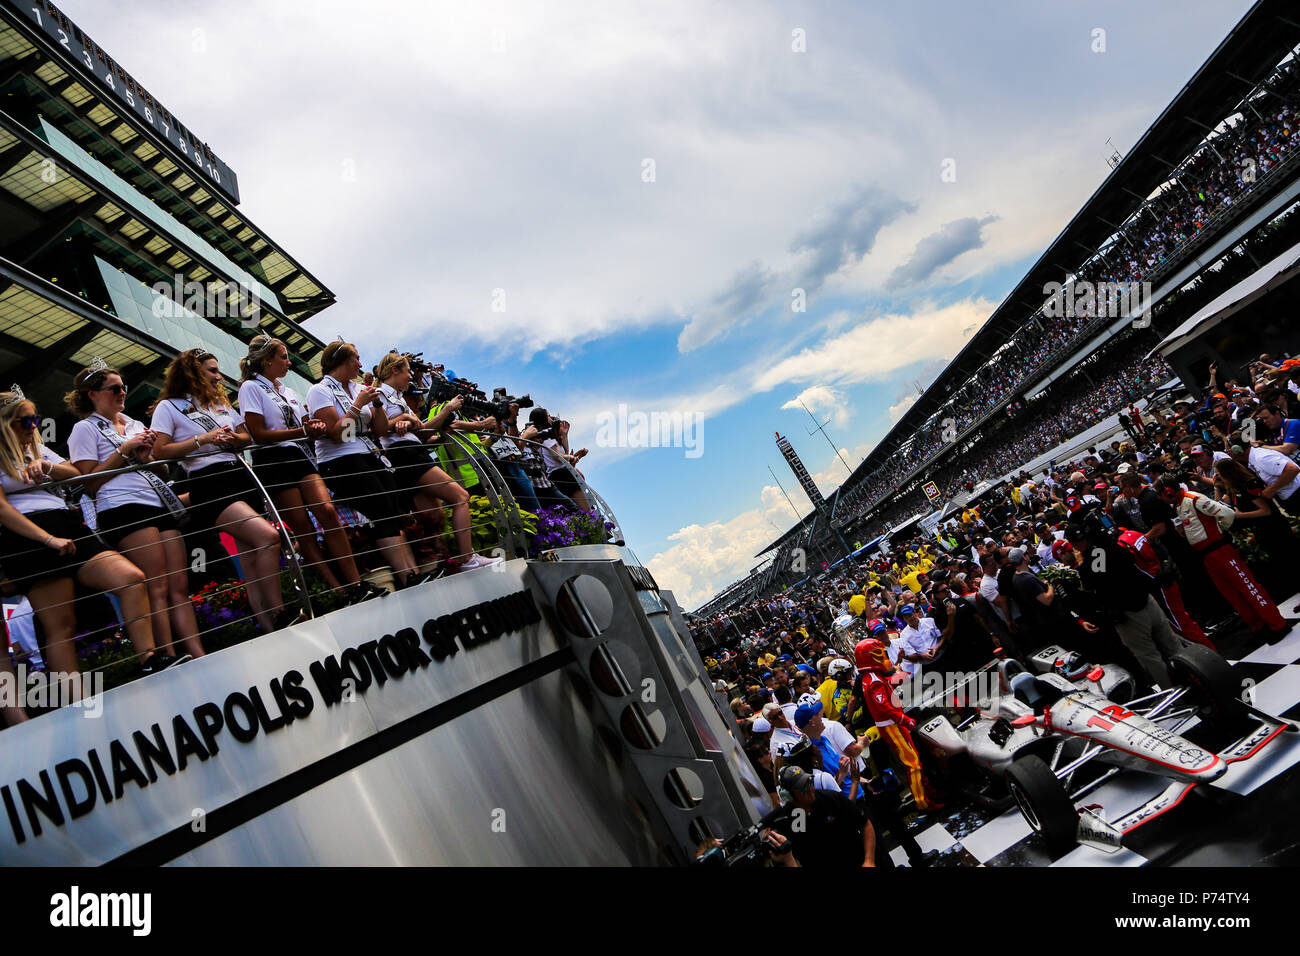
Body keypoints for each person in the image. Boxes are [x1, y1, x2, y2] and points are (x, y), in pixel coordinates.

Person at [0, 388, 178, 683]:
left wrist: (46, 466)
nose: (33, 426)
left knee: (131, 578)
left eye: (35, 419)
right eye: (25, 421)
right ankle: (75, 703)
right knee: (62, 627)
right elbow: (3, 510)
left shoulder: (37, 448)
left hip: (66, 520)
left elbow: (76, 472)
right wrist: (47, 539)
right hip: (29, 534)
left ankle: (149, 660)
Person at [66, 361, 204, 661]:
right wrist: (125, 450)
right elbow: (89, 482)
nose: (122, 393)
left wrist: (145, 455)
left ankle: (198, 652)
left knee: (178, 585)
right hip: (122, 506)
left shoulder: (134, 423)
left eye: (123, 387)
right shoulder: (83, 428)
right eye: (114, 388)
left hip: (157, 500)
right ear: (92, 394)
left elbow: (162, 467)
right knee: (156, 585)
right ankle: (166, 655)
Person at [149, 349, 289, 635]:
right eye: (212, 370)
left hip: (238, 474)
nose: (218, 376)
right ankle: (280, 612)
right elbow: (159, 450)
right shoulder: (168, 407)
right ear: (193, 372)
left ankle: (268, 628)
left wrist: (230, 439)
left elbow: (246, 435)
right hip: (207, 481)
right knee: (268, 537)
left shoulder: (220, 403)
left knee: (250, 560)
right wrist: (201, 440)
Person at [238, 336, 384, 606]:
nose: (288, 362)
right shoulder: (250, 387)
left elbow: (302, 424)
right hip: (272, 460)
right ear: (267, 360)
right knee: (303, 529)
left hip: (300, 455)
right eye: (283, 357)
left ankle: (355, 583)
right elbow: (257, 434)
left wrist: (311, 425)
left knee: (327, 512)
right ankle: (341, 591)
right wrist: (301, 430)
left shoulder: (288, 390)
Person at [307, 342, 436, 591]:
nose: (360, 364)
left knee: (392, 511)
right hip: (340, 459)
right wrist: (357, 405)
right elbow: (336, 434)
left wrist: (376, 405)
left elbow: (378, 430)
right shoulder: (319, 390)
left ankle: (413, 573)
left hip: (370, 454)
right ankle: (407, 576)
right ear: (343, 362)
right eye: (356, 358)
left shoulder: (359, 387)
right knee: (381, 511)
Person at [374, 352, 501, 571]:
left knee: (435, 516)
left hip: (412, 450)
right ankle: (467, 558)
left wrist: (445, 419)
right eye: (406, 372)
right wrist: (404, 419)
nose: (410, 378)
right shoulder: (379, 394)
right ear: (395, 371)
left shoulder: (398, 397)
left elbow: (422, 432)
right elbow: (378, 427)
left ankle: (440, 564)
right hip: (405, 454)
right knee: (460, 496)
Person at [1153, 475, 1291, 644]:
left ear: (1168, 492)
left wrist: (1220, 533)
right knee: (1232, 594)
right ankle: (1259, 627)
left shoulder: (1194, 499)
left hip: (1220, 551)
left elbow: (1226, 513)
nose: (1159, 498)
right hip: (1206, 555)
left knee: (1248, 587)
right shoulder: (1178, 505)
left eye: (1160, 494)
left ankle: (1278, 624)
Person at [764, 765, 879, 868]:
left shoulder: (831, 799)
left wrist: (869, 861)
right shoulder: (789, 820)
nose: (810, 789)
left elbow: (865, 824)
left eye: (809, 782)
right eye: (803, 787)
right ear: (788, 796)